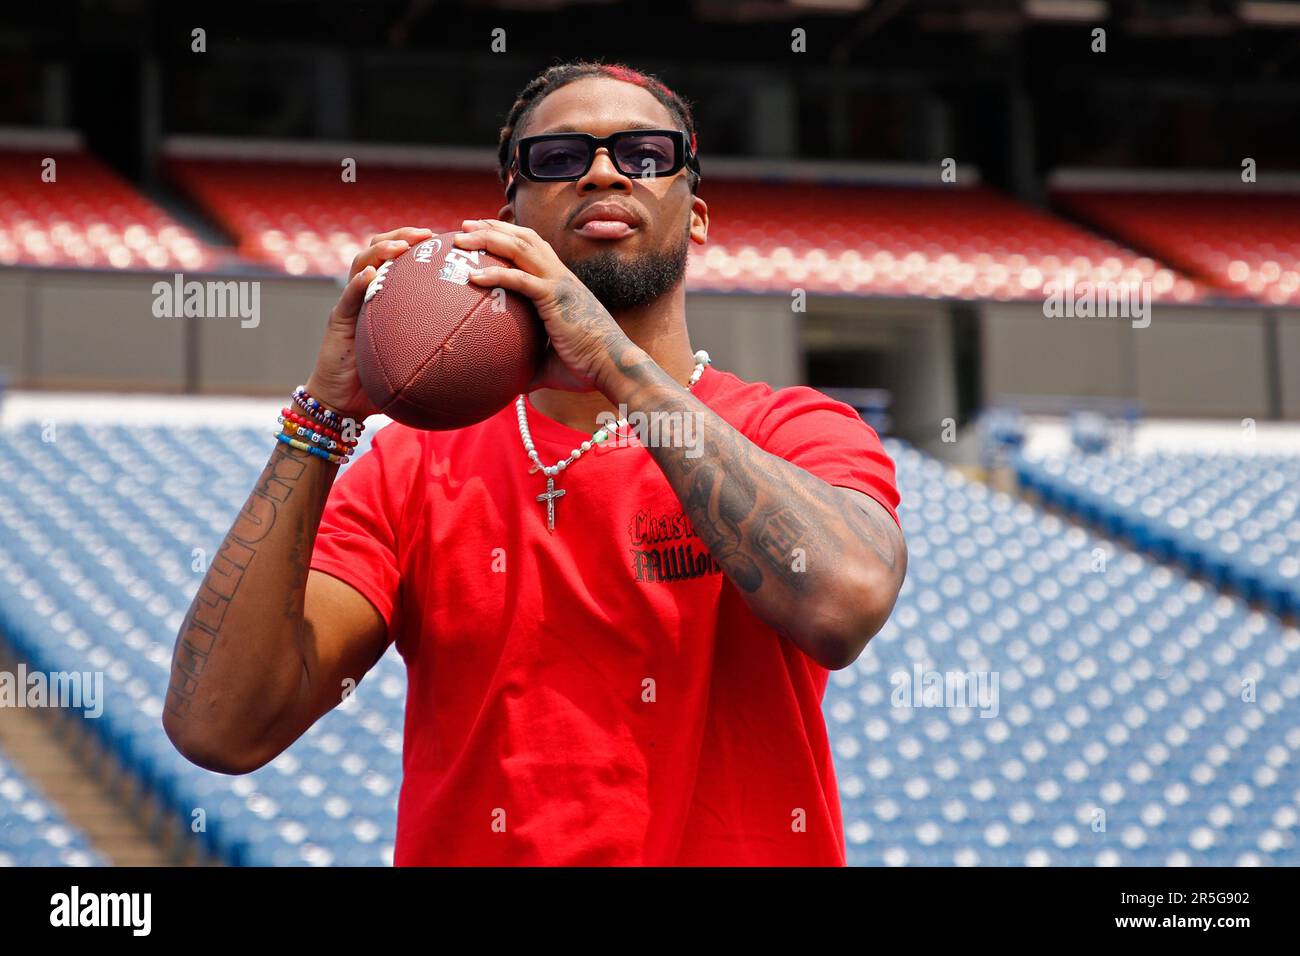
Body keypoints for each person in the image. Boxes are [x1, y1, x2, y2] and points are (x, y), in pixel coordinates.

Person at [163, 60, 908, 866]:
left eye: (645, 155)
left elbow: (844, 604)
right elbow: (218, 727)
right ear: (507, 213)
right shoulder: (410, 466)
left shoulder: (790, 427)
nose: (600, 172)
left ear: (695, 215)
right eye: (556, 158)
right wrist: (319, 419)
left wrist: (611, 360)